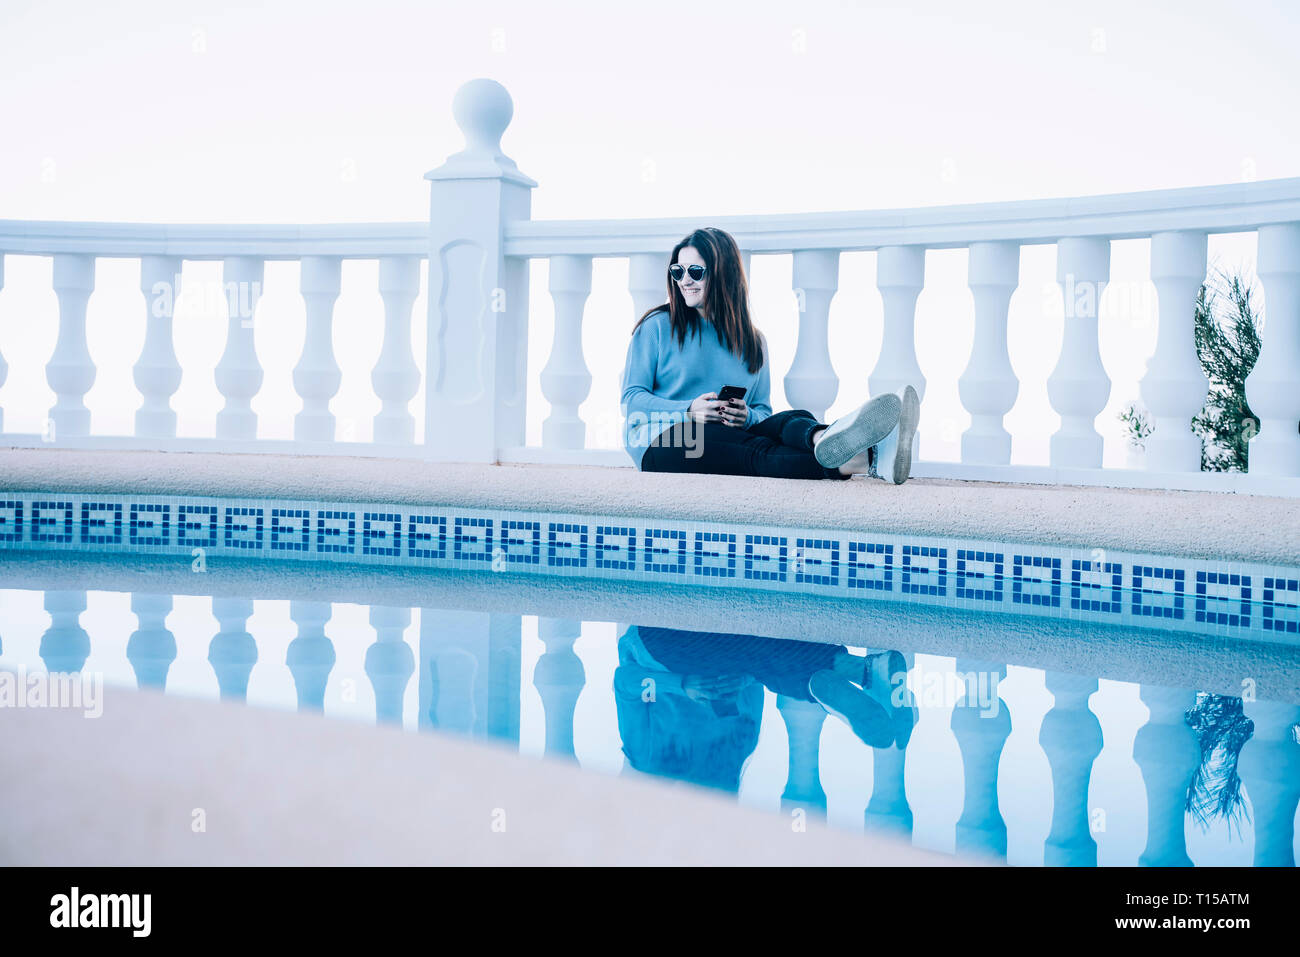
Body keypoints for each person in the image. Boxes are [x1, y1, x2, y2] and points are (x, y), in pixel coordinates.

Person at [620, 226, 921, 482]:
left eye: (695, 272)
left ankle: (824, 438)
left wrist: (745, 415)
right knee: (756, 454)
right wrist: (689, 410)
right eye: (678, 271)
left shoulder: (752, 342)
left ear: (723, 275)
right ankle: (863, 458)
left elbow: (762, 411)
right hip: (660, 439)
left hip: (722, 434)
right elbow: (631, 399)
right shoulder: (657, 327)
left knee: (791, 419)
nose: (684, 280)